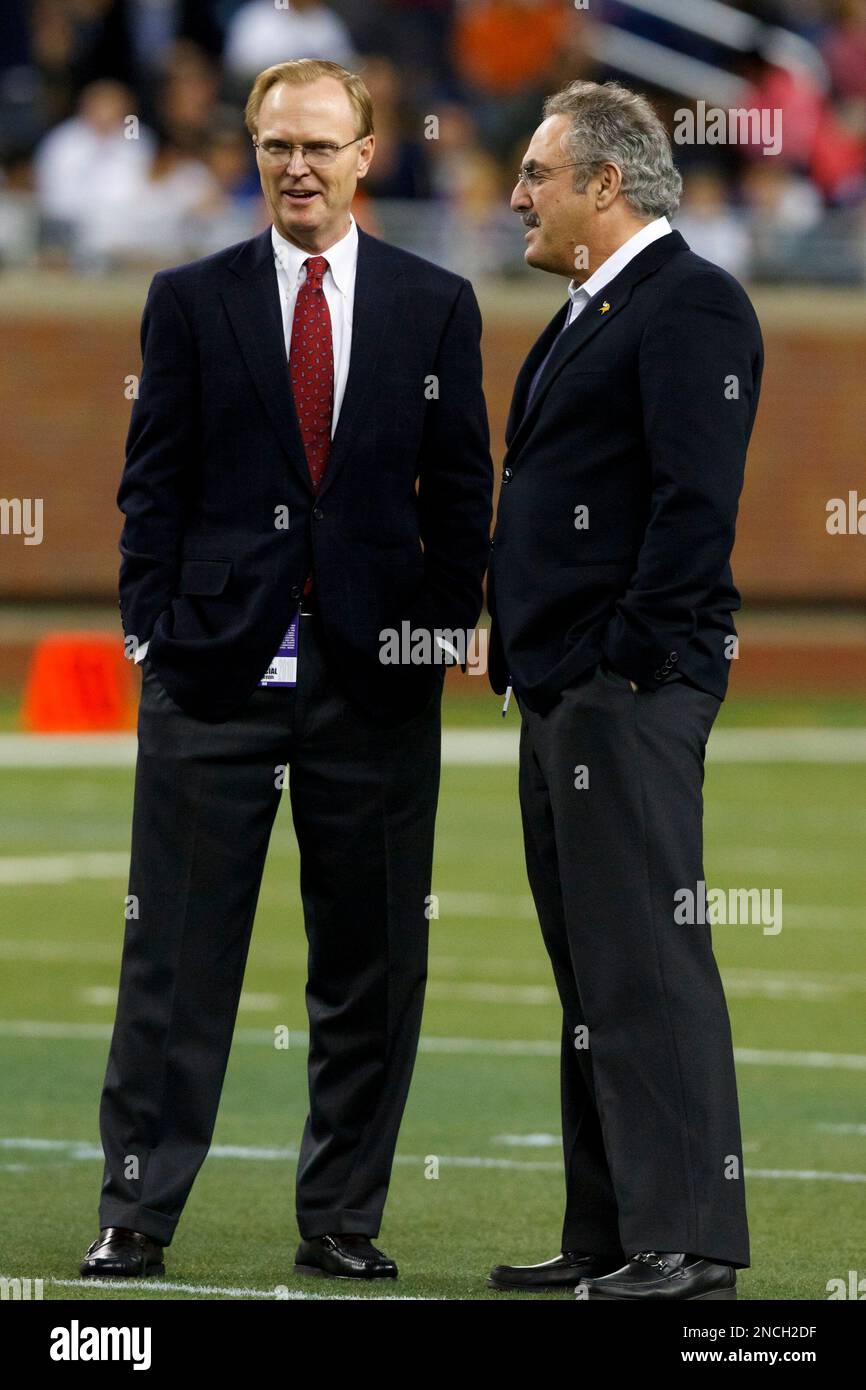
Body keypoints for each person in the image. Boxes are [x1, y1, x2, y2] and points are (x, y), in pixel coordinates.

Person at [80, 57, 492, 1283]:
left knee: (368, 962)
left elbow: (460, 492)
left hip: (371, 684)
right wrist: (151, 626)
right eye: (274, 146)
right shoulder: (190, 298)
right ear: (250, 153)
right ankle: (135, 1214)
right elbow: (149, 481)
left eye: (318, 145)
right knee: (175, 958)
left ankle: (342, 1219)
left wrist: (428, 628)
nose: (295, 167)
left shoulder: (435, 302)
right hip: (213, 673)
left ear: (368, 154)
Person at [486, 80, 762, 1300]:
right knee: (594, 965)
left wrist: (626, 658)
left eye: (537, 174)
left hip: (622, 687)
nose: (515, 196)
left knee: (645, 956)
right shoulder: (592, 309)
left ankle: (687, 1241)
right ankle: (608, 1232)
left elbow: (693, 504)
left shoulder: (689, 301)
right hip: (566, 687)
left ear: (604, 183)